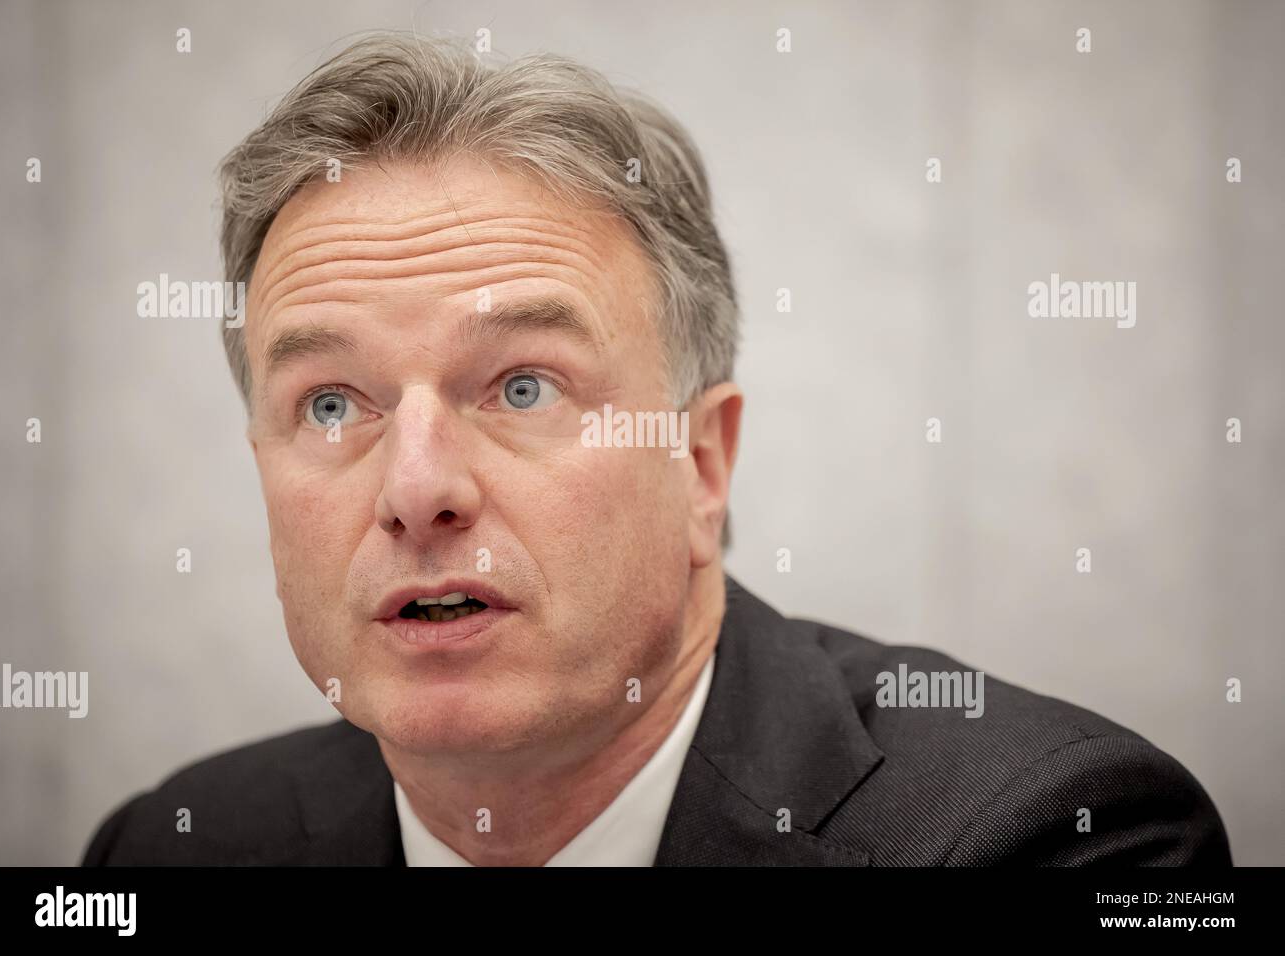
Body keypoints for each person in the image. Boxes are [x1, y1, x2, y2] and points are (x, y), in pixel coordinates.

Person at [82, 33, 1230, 867]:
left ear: (704, 463)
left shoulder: (1050, 834)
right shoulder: (168, 848)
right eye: (332, 404)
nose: (417, 488)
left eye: (522, 385)